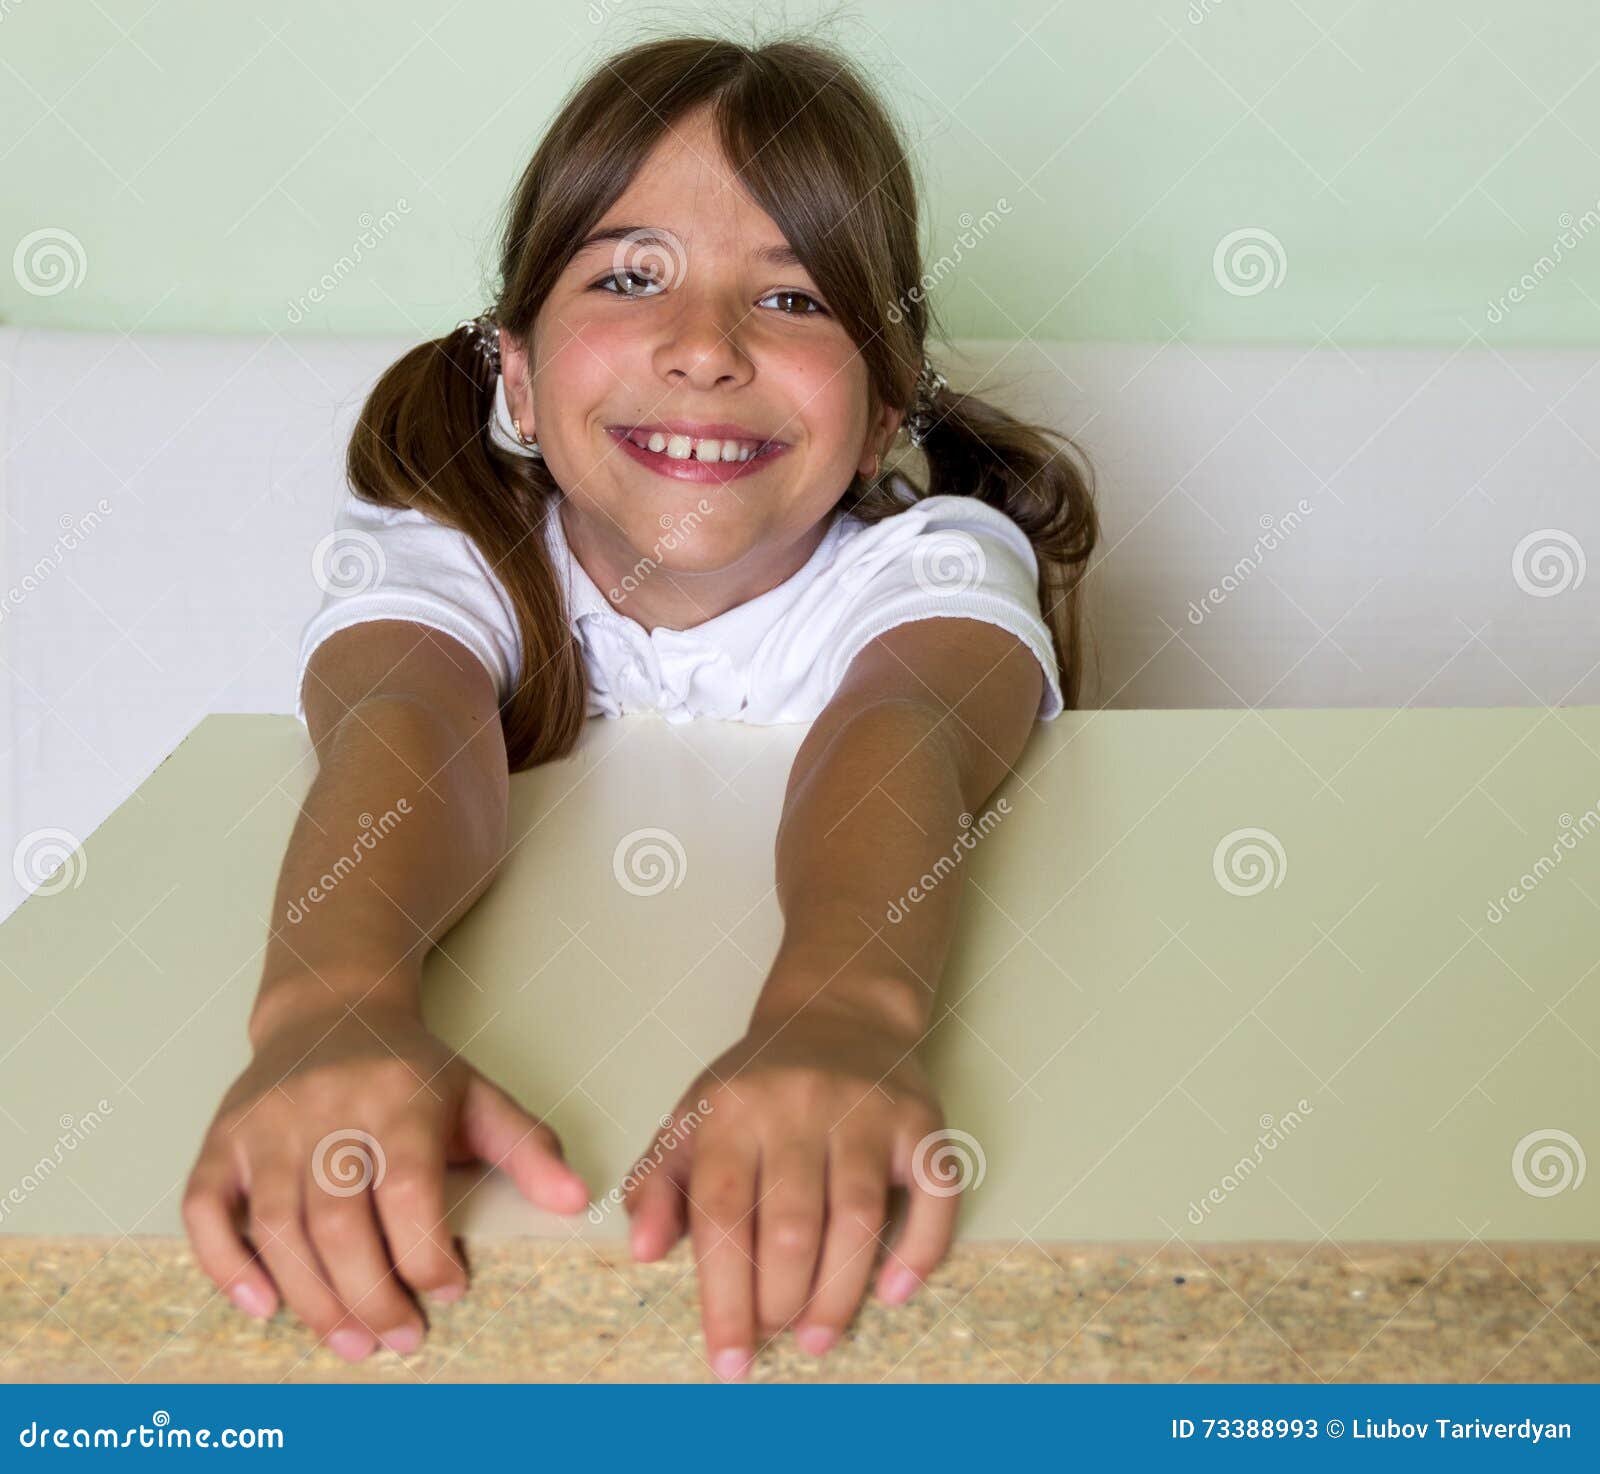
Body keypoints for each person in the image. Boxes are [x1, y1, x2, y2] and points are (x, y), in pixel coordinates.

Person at [182, 31, 1098, 1382]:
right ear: (516, 375)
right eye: (629, 275)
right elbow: (405, 720)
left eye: (791, 302)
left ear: (888, 401)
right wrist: (330, 1001)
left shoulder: (938, 564)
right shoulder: (450, 548)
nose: (705, 346)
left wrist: (841, 1015)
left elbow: (896, 729)